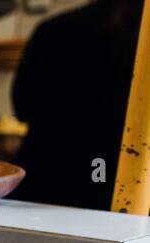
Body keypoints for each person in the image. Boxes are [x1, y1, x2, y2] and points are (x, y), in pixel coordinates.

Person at [11, 0, 145, 210]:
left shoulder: (56, 29)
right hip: (112, 197)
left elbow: (22, 107)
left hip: (43, 185)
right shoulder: (139, 41)